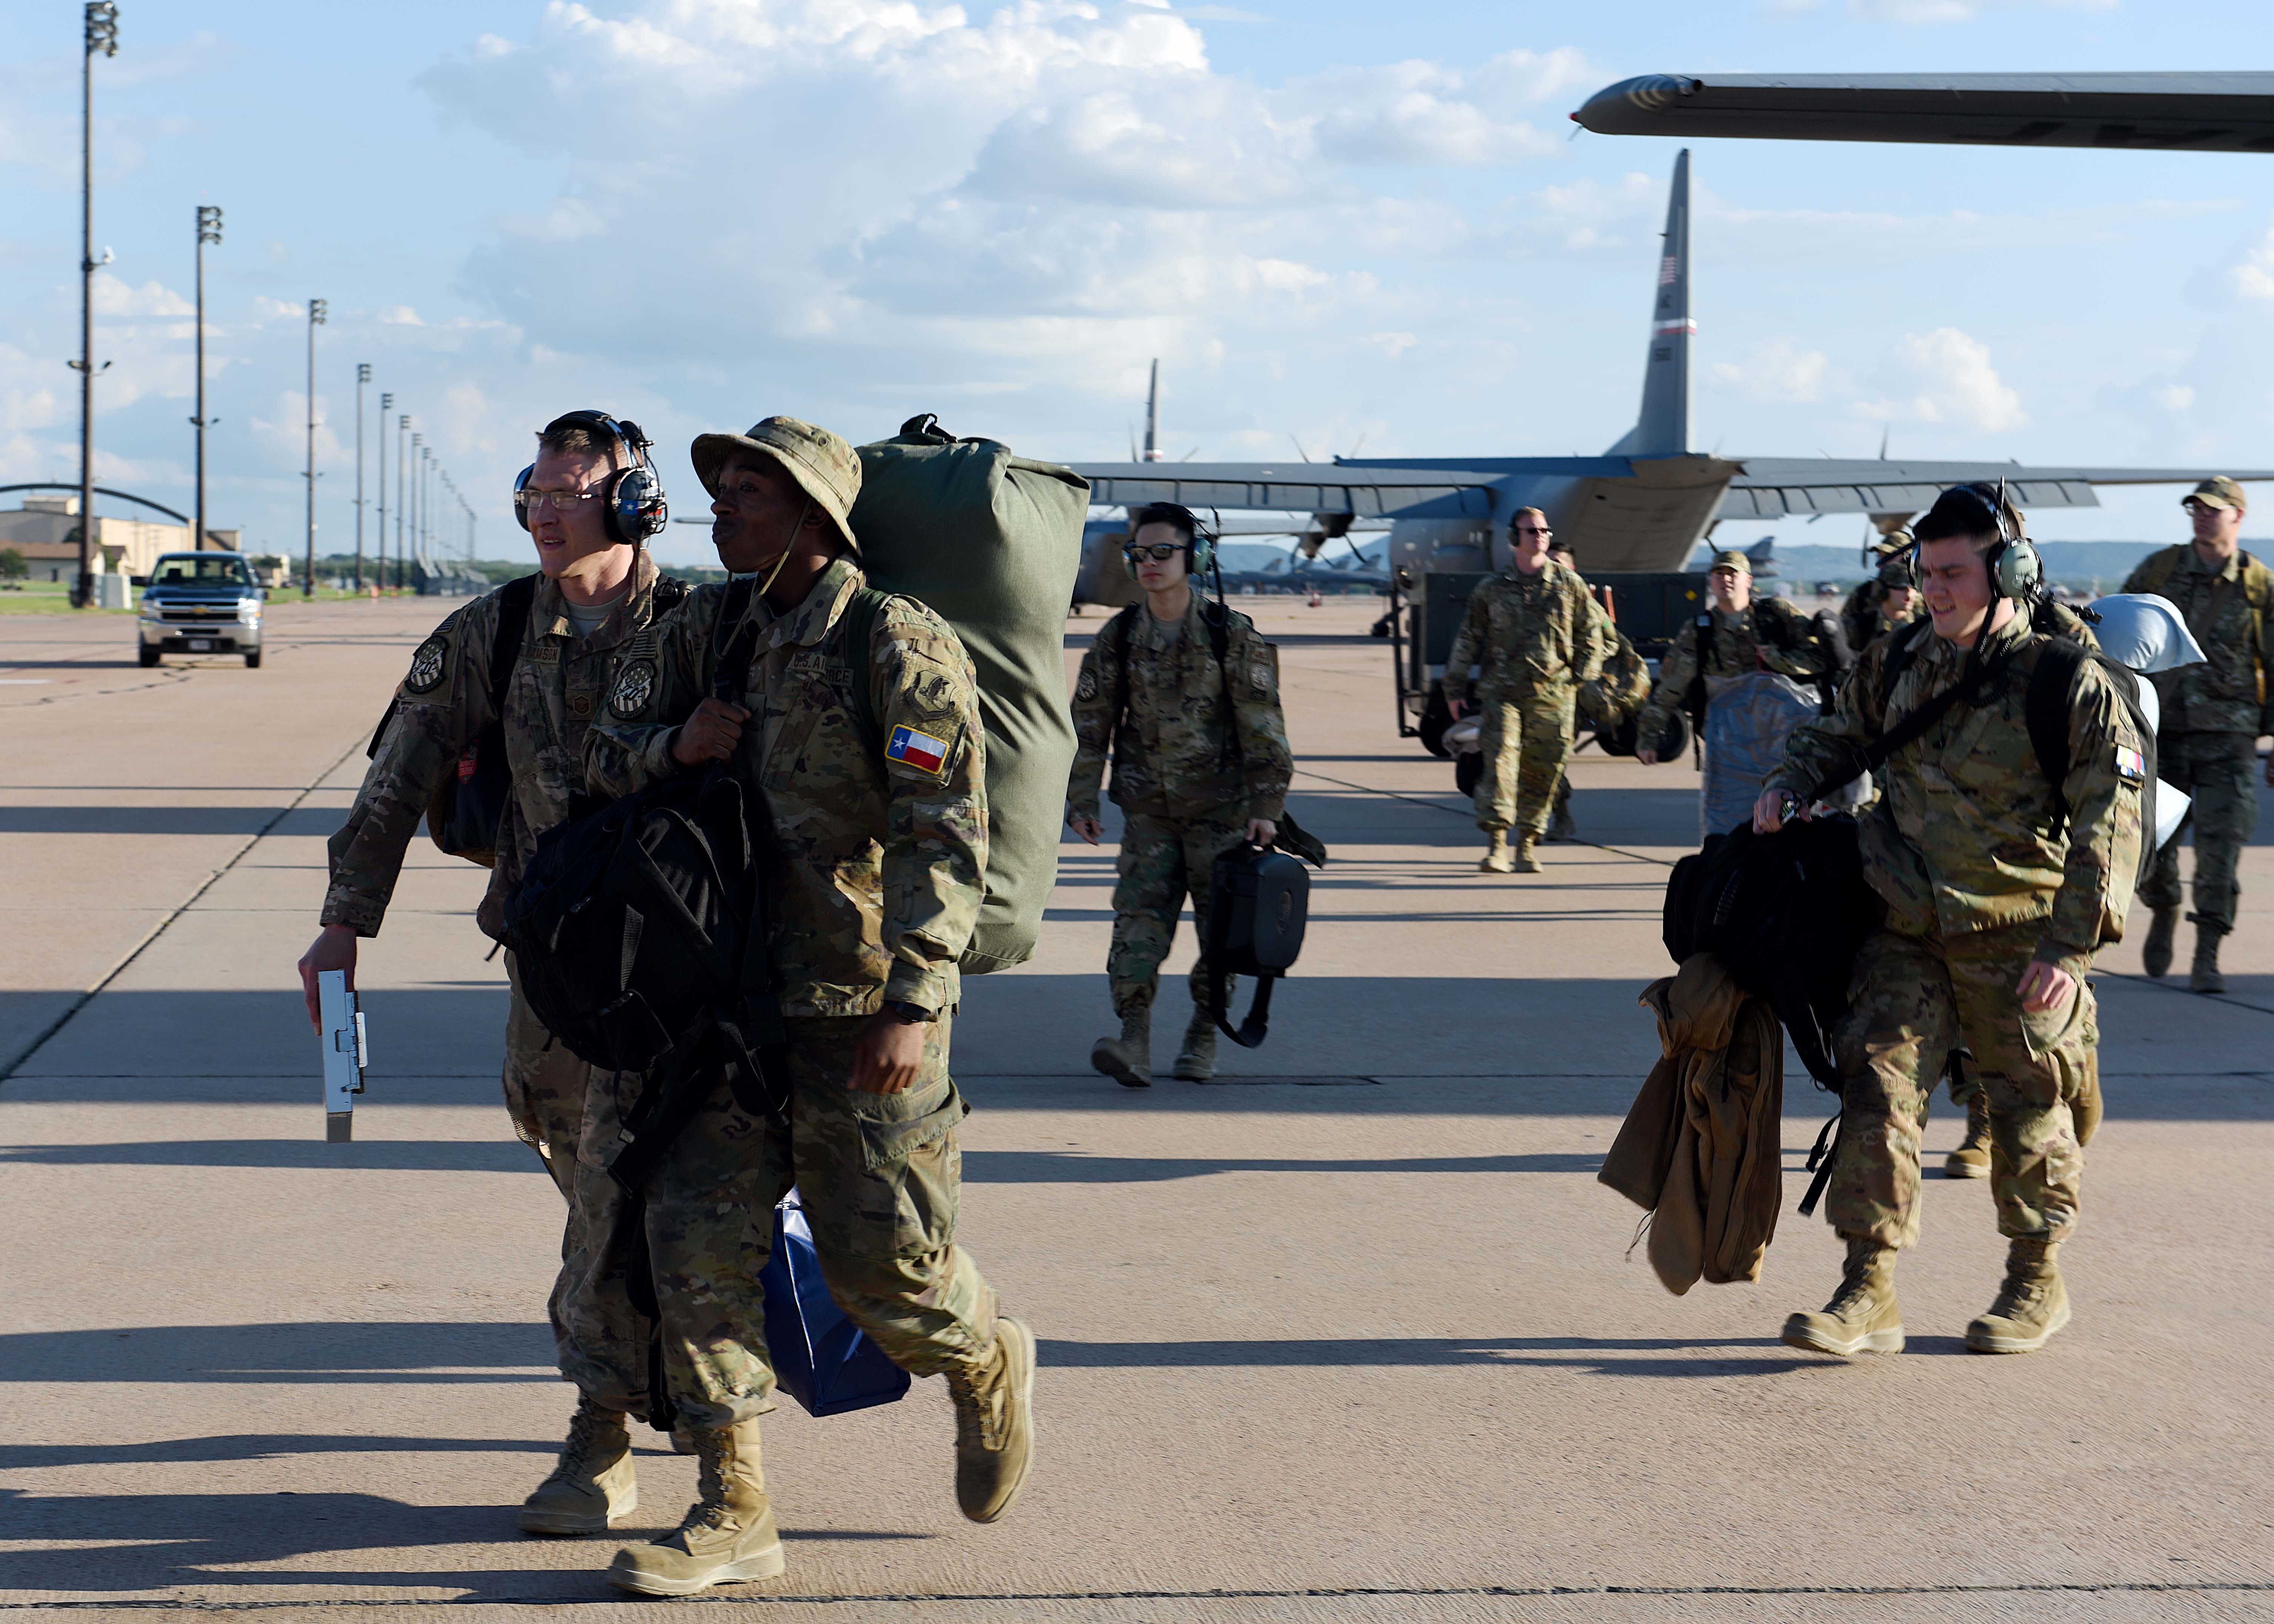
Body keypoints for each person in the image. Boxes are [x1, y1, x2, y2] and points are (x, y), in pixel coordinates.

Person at [581, 416, 1031, 1595]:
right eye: (720, 490)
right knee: (696, 1248)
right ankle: (734, 1507)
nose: (720, 510)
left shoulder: (896, 643)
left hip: (858, 1004)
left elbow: (946, 834)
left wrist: (916, 1002)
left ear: (815, 518)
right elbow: (601, 754)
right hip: (720, 1007)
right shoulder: (706, 630)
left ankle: (983, 1356)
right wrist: (675, 743)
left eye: (747, 492)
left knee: (885, 1272)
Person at [296, 410, 683, 1506]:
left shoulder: (701, 627)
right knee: (591, 1184)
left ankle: (604, 1434)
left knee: (646, 1194)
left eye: (572, 489)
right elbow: (397, 779)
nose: (548, 511)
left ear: (632, 502)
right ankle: (624, 1388)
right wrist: (342, 925)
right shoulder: (493, 631)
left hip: (681, 969)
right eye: (536, 490)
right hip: (553, 972)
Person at [1757, 482, 2143, 1359]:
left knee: (2030, 1113)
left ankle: (2035, 1282)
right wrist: (1789, 783)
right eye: (1927, 573)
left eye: (1956, 573)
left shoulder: (2064, 683)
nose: (1936, 590)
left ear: (2007, 572)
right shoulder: (1895, 664)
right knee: (1876, 1090)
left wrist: (2069, 945)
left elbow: (2111, 822)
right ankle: (1869, 1287)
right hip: (1907, 930)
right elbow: (1836, 734)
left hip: (2021, 934)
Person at [1068, 502, 1293, 1086]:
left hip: (1222, 815)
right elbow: (1090, 725)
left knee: (1221, 934)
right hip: (1149, 816)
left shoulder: (1231, 635)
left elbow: (1263, 729)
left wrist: (1267, 810)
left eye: (1162, 552)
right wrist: (1082, 800)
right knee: (1137, 928)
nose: (1148, 564)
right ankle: (1133, 1038)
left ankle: (1201, 1033)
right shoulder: (1118, 638)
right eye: (1138, 554)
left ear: (1195, 558)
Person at [2121, 475, 2274, 995]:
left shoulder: (2259, 587)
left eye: (2212, 509)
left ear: (2237, 516)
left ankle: (2206, 954)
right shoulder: (2160, 570)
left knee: (2218, 854)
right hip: (2161, 734)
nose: (2201, 516)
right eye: (2195, 509)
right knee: (2151, 850)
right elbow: (2115, 631)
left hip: (2229, 740)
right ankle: (2162, 906)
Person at [1442, 507, 1612, 873]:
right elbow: (1469, 638)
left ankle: (1529, 843)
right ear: (1513, 537)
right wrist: (1454, 685)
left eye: (1544, 530)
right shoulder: (1492, 588)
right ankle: (1497, 843)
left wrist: (1582, 677)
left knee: (1544, 771)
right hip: (1503, 694)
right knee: (1501, 763)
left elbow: (1592, 633)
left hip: (1555, 696)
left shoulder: (1569, 584)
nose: (1539, 536)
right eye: (1531, 530)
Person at [1635, 550, 1829, 839]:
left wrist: (1778, 660)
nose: (1725, 579)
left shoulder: (1775, 616)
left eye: (1732, 573)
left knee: (1788, 819)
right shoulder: (1700, 630)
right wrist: (1649, 735)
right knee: (1727, 824)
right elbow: (1670, 687)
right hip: (1729, 748)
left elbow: (1819, 659)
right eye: (1718, 574)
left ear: (1748, 580)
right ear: (1710, 582)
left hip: (1783, 742)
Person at [1842, 549, 1923, 656]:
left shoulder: (1925, 628)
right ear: (1882, 591)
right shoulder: (1860, 628)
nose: (1909, 592)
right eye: (1902, 586)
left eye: (1914, 587)